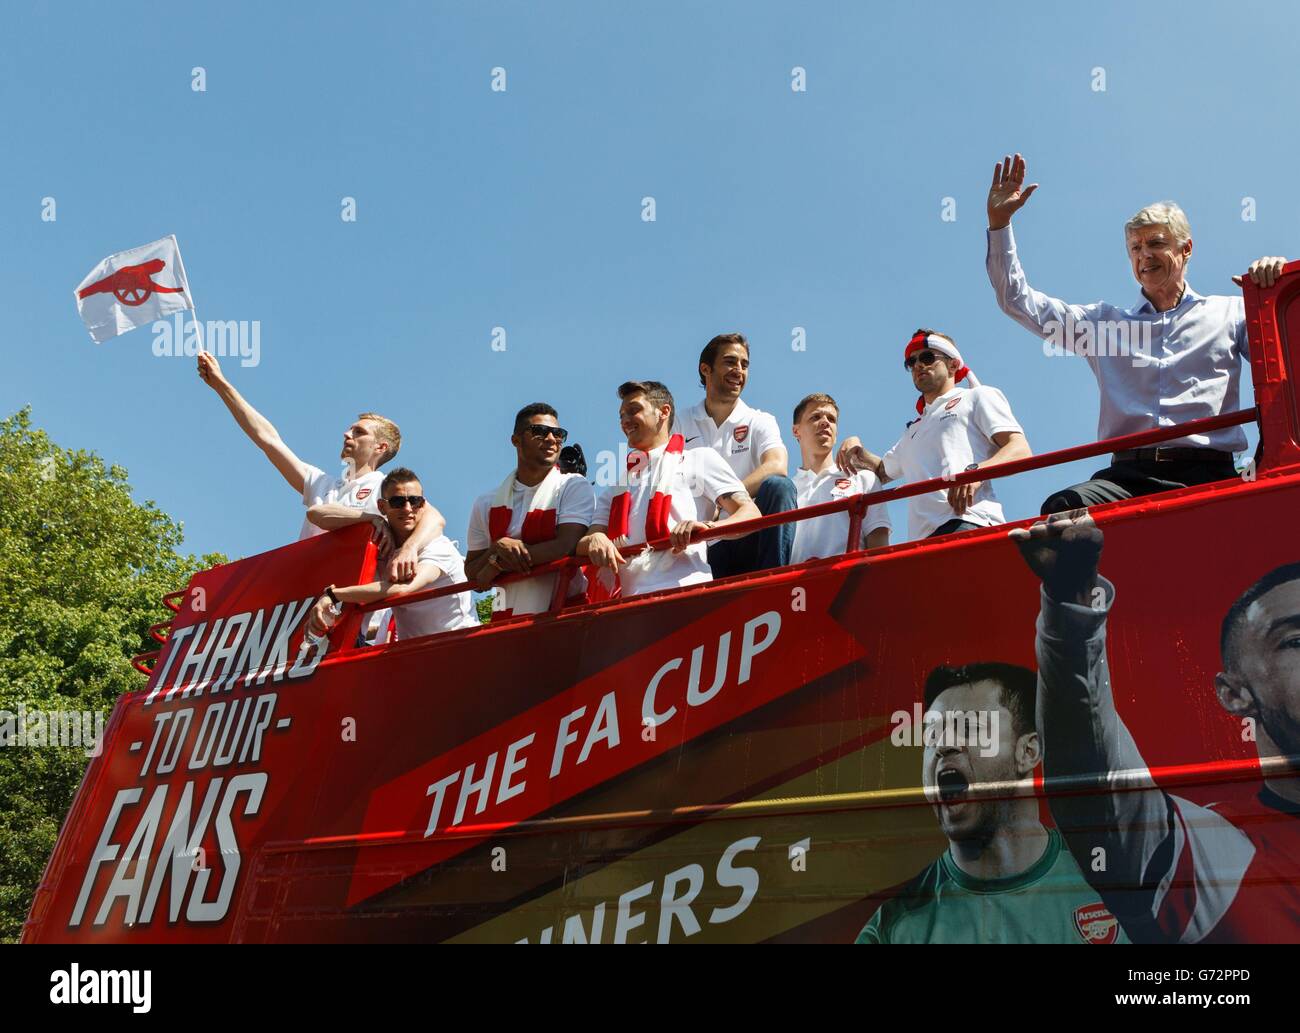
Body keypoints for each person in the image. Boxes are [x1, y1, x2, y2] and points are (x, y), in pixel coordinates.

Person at [1012, 510, 1300, 943]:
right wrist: (1071, 617)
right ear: (1234, 694)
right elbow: (1098, 791)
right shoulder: (1221, 858)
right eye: (1294, 641)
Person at [985, 152, 1288, 513]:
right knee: (1063, 510)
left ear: (1185, 249)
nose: (1145, 255)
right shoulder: (1103, 325)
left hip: (1210, 472)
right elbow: (1017, 301)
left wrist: (1275, 287)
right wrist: (999, 224)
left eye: (1156, 243)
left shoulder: (1230, 312)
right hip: (1125, 478)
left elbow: (1287, 363)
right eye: (1135, 247)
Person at [857, 663, 1126, 944]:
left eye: (971, 728)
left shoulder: (1112, 885)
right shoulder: (893, 930)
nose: (943, 746)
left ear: (1028, 752)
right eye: (931, 736)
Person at [196, 351, 444, 583]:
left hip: (354, 612)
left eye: (358, 432)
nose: (347, 434)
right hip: (304, 601)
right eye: (349, 429)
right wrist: (221, 385)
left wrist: (410, 547)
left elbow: (434, 518)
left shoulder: (387, 489)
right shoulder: (322, 484)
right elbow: (268, 439)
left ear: (380, 447)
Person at [838, 330, 1031, 539]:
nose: (919, 365)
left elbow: (1020, 450)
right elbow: (881, 473)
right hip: (920, 540)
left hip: (970, 522)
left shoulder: (977, 396)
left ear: (953, 365)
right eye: (911, 362)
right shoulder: (913, 429)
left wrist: (976, 473)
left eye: (928, 358)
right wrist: (856, 446)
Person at [579, 381, 760, 599]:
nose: (625, 420)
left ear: (664, 412)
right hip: (629, 604)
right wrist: (596, 539)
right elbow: (586, 541)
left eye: (634, 410)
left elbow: (750, 514)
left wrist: (707, 527)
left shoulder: (698, 459)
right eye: (621, 415)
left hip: (687, 594)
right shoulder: (617, 487)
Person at [674, 333, 797, 575]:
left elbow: (777, 465)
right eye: (730, 362)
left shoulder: (759, 419)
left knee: (779, 487)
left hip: (746, 535)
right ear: (705, 369)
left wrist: (725, 496)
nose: (738, 370)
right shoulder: (678, 422)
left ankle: (773, 583)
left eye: (745, 364)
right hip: (696, 542)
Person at [306, 467, 476, 643]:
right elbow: (314, 514)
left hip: (459, 645)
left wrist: (333, 595)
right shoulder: (383, 543)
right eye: (397, 502)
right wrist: (371, 518)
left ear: (423, 505)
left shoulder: (439, 546)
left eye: (415, 501)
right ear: (382, 506)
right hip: (413, 655)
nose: (408, 508)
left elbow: (403, 588)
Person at [465, 403, 595, 619]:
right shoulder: (486, 502)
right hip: (504, 619)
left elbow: (566, 546)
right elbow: (472, 573)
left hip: (565, 614)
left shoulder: (573, 485)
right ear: (516, 440)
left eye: (558, 433)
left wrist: (496, 564)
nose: (552, 439)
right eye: (540, 432)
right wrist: (496, 549)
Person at [789, 393, 890, 563]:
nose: (825, 422)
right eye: (815, 417)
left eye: (831, 419)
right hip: (794, 587)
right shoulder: (786, 490)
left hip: (848, 583)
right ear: (796, 431)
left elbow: (878, 542)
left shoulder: (863, 478)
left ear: (836, 433)